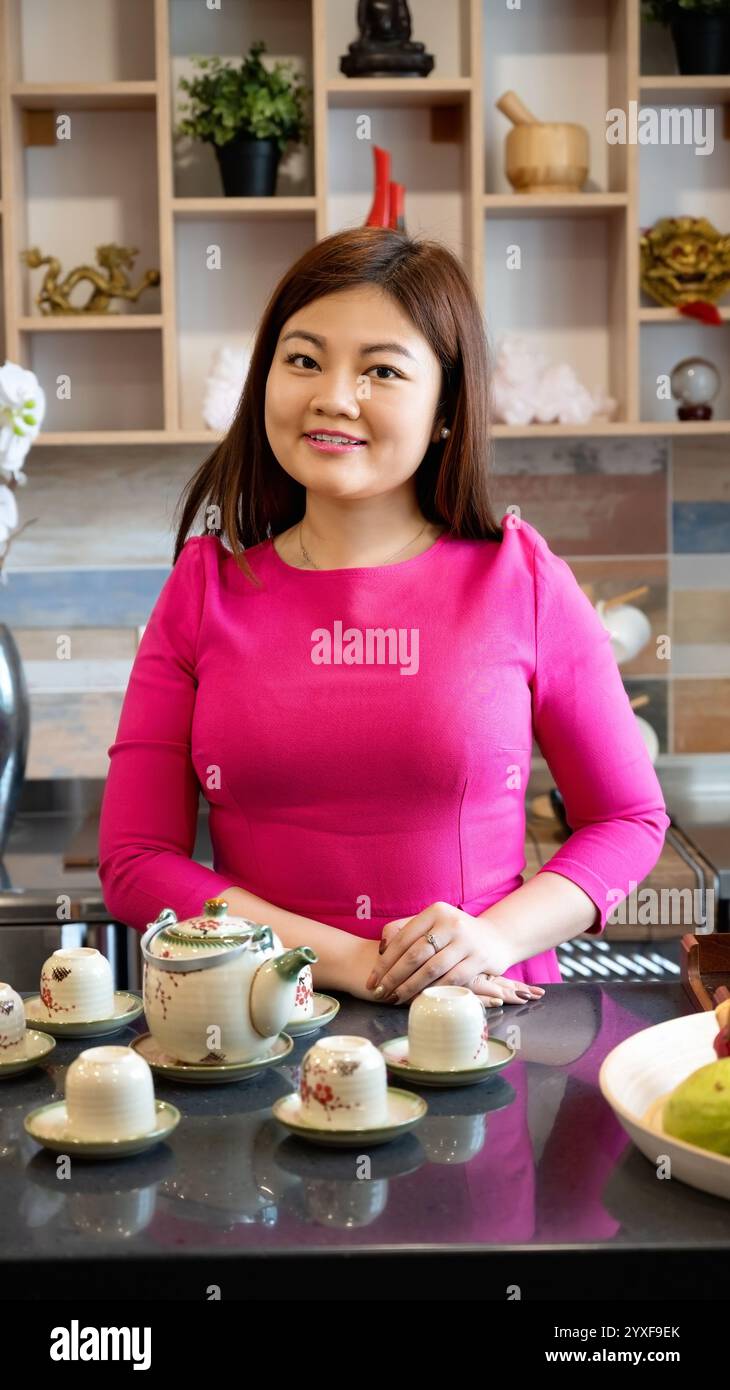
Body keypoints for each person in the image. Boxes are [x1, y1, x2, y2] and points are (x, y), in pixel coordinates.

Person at [97, 225, 670, 1007]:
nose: (334, 395)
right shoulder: (203, 589)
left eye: (382, 370)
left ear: (445, 410)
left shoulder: (523, 578)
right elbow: (136, 862)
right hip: (265, 1025)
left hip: (482, 1025)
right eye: (302, 360)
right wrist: (356, 963)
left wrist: (494, 937)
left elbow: (628, 819)